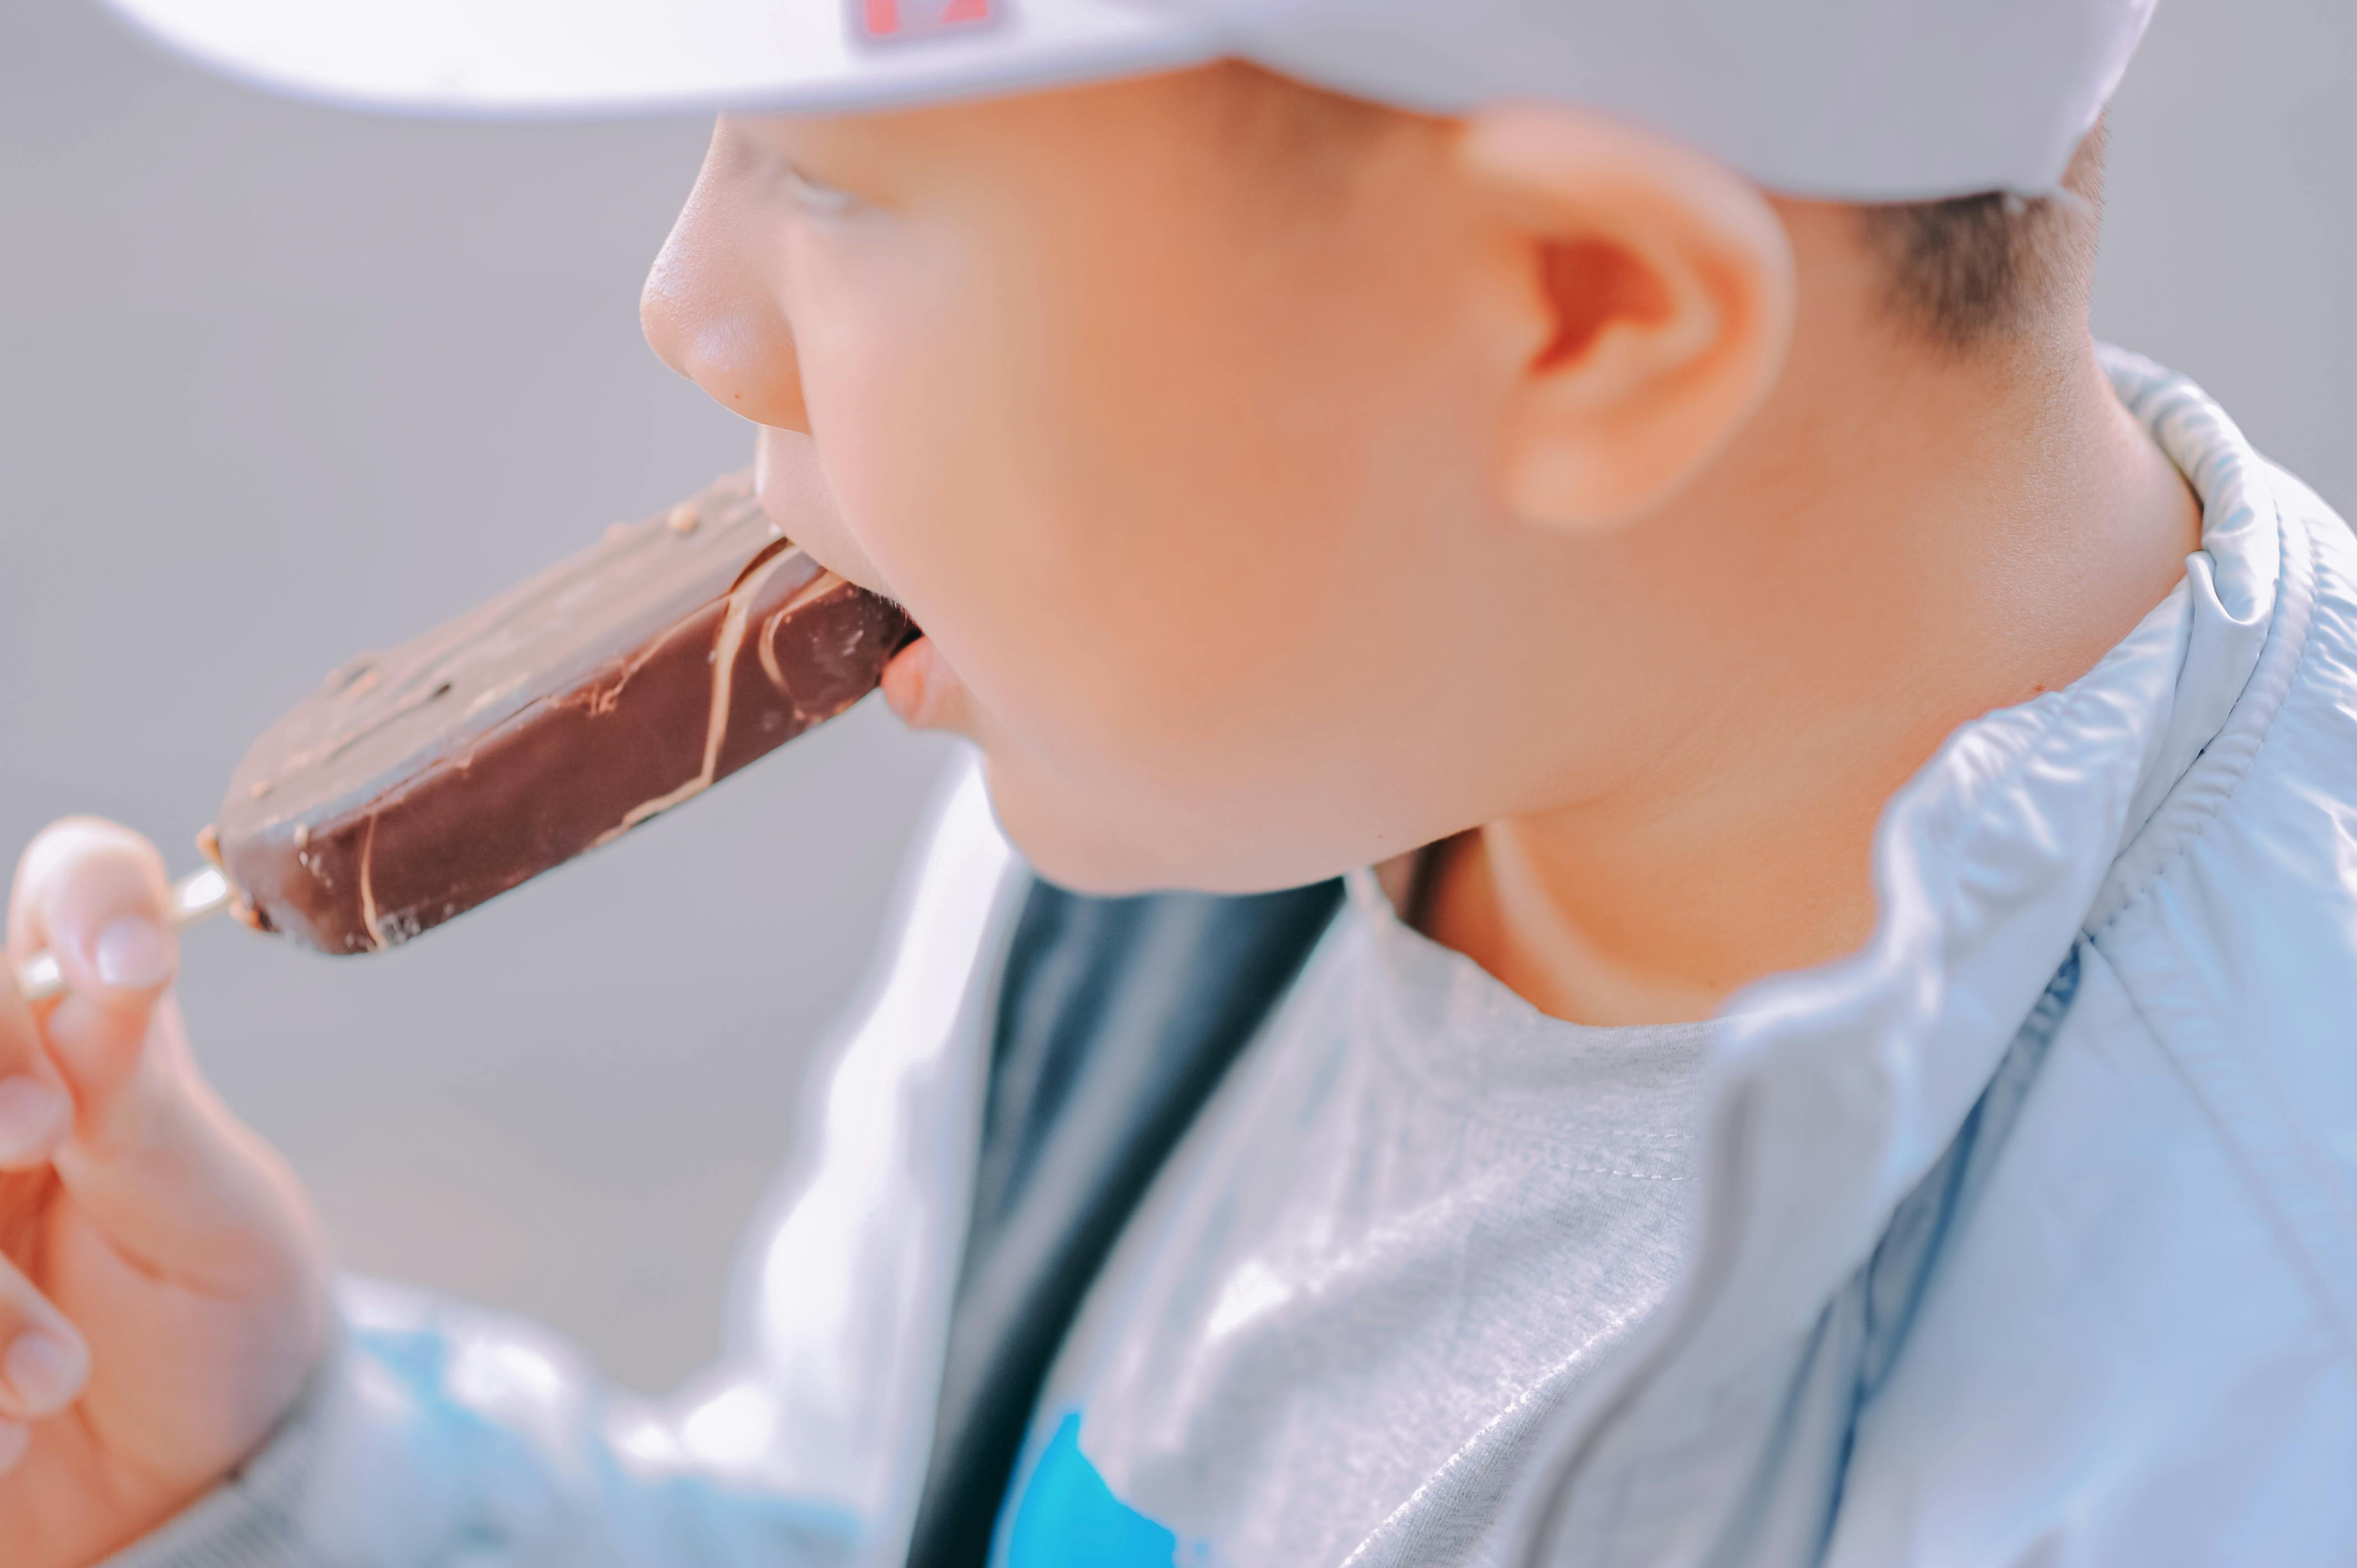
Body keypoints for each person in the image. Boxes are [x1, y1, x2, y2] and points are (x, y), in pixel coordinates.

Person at [3, 0, 2353, 1563]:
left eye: (832, 174)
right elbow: (885, 1511)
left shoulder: (2231, 1405)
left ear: (1576, 314)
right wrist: (263, 1473)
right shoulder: (1197, 804)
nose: (688, 304)